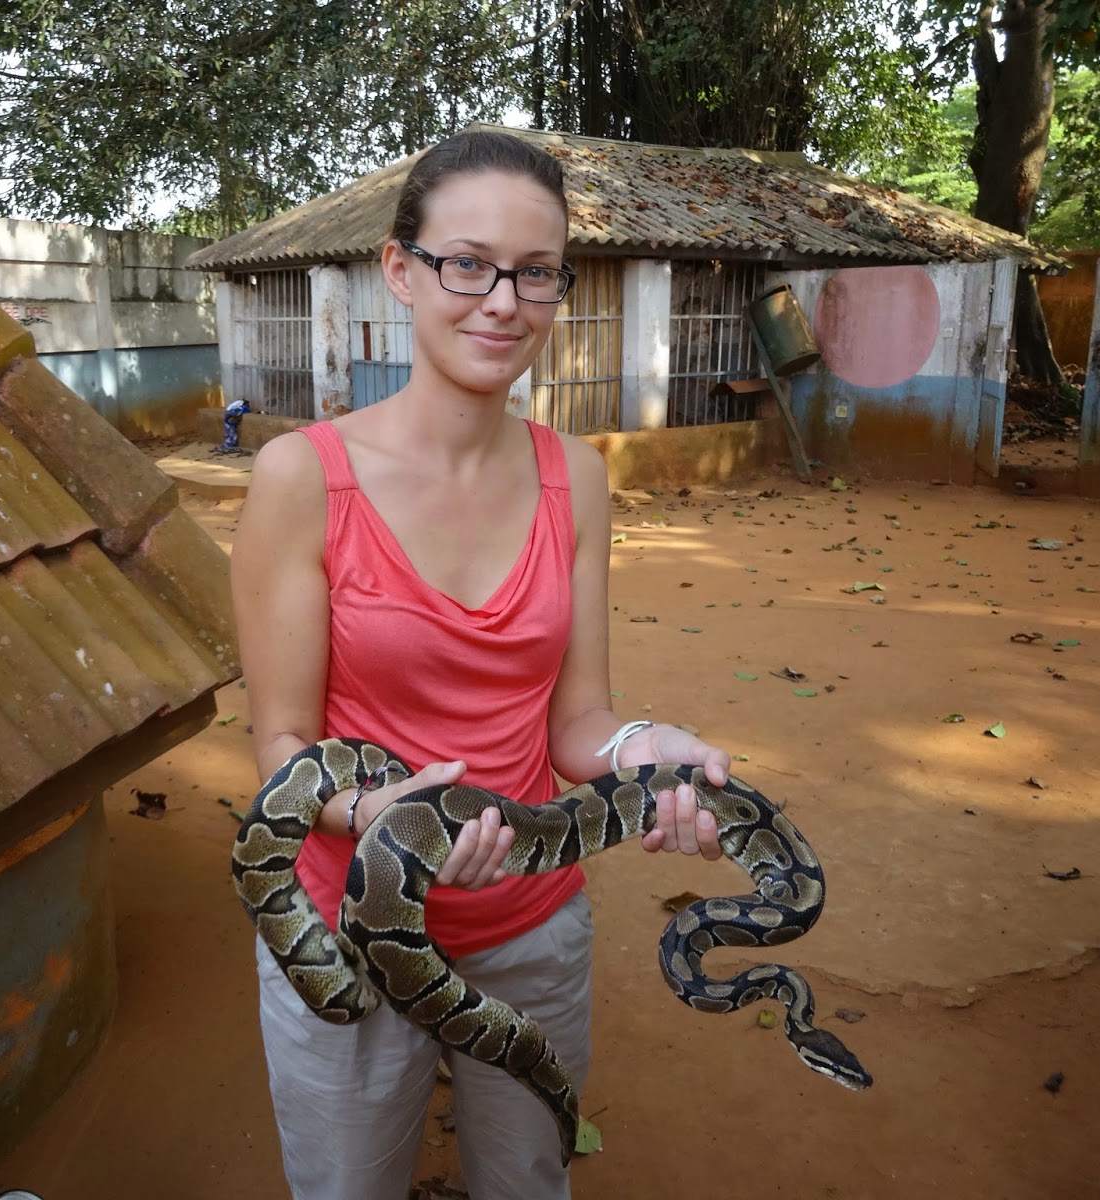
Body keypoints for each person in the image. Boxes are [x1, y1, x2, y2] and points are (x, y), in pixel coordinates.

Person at [230, 129, 732, 1200]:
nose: (503, 301)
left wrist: (650, 754)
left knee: (529, 1183)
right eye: (469, 264)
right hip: (347, 925)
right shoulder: (300, 479)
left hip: (529, 927)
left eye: (535, 273)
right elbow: (280, 745)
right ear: (401, 270)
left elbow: (577, 723)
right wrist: (378, 817)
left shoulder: (576, 479)